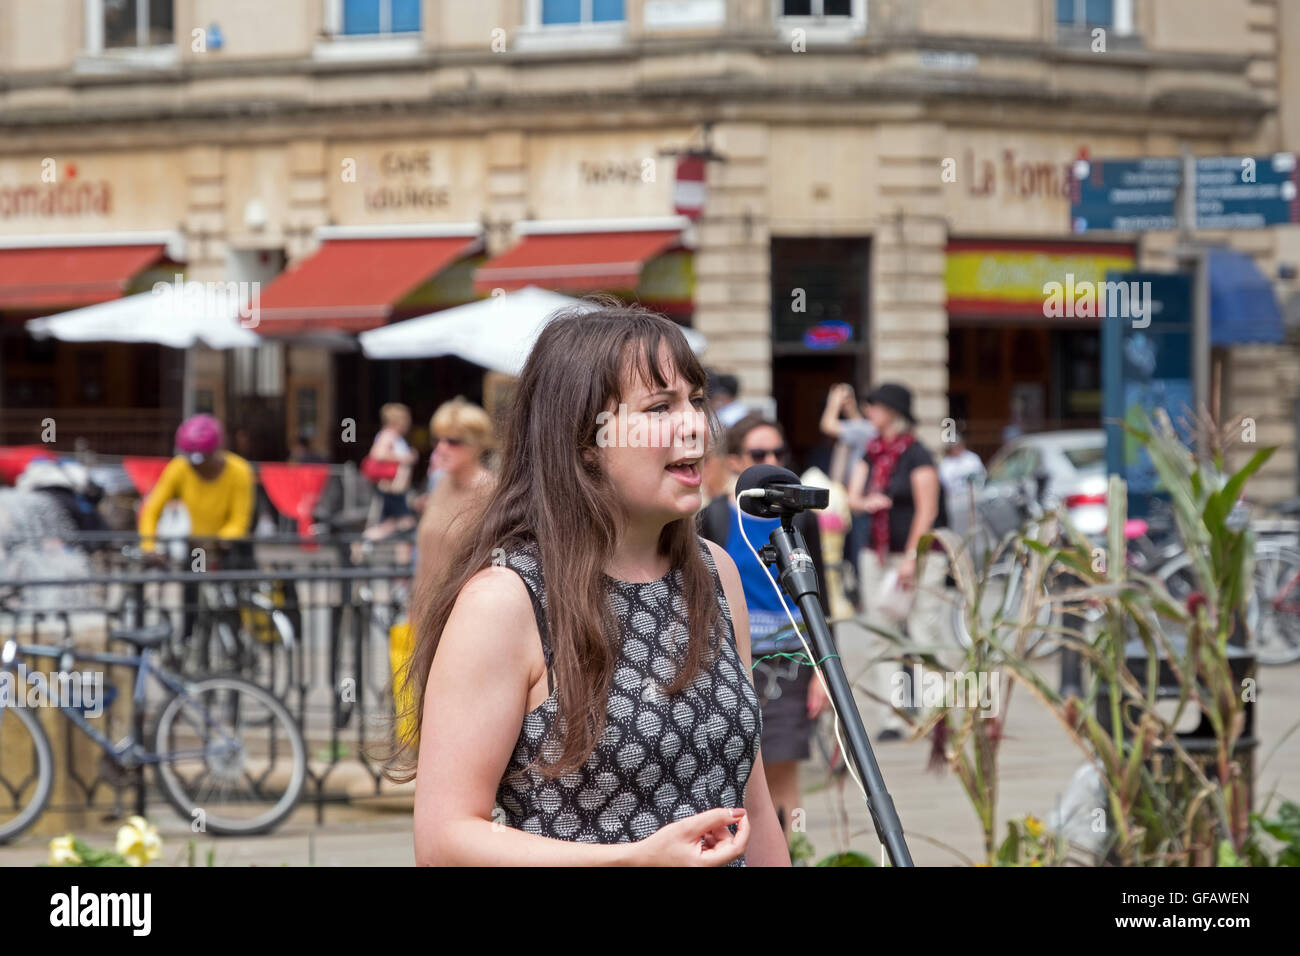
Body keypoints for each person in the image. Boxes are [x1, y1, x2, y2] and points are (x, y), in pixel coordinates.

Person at [394, 302, 787, 866]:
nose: (696, 424)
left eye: (696, 400)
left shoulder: (715, 572)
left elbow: (754, 803)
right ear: (585, 441)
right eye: (660, 407)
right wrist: (634, 861)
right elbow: (443, 840)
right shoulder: (506, 600)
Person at [697, 413, 831, 840]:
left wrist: (826, 673)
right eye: (759, 454)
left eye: (778, 453)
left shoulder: (798, 519)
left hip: (792, 661)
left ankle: (794, 852)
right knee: (740, 774)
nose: (771, 461)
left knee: (785, 774)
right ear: (736, 461)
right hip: (733, 664)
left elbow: (820, 598)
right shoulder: (714, 518)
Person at [846, 383, 948, 741]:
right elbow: (851, 496)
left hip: (918, 555)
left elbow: (928, 510)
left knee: (923, 632)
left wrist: (911, 557)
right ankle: (895, 716)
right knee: (882, 635)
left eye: (874, 406)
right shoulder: (872, 452)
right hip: (876, 553)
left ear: (893, 411)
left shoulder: (918, 455)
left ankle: (935, 714)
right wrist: (866, 503)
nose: (869, 411)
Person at [413, 397, 496, 607]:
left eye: (454, 441)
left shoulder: (491, 493)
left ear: (477, 445)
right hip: (425, 610)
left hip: (463, 612)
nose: (441, 447)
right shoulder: (440, 484)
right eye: (438, 439)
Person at [364, 403, 419, 541]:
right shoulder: (388, 435)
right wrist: (406, 458)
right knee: (403, 522)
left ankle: (403, 560)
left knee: (400, 523)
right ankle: (365, 539)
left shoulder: (394, 436)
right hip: (390, 487)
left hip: (396, 488)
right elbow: (378, 454)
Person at [937, 426, 985, 540]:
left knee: (976, 529)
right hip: (955, 501)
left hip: (973, 498)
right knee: (958, 532)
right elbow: (944, 483)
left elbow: (981, 476)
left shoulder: (972, 458)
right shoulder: (946, 464)